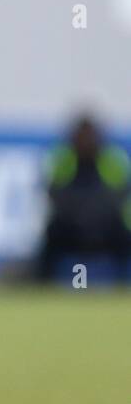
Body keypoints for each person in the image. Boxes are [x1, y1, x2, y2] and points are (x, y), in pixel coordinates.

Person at [34, 114, 131, 282]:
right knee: (51, 235)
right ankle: (43, 285)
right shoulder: (63, 160)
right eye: (81, 136)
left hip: (105, 227)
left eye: (89, 136)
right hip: (72, 227)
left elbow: (120, 196)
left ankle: (123, 284)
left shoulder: (112, 160)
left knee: (125, 236)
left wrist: (95, 215)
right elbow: (53, 194)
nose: (85, 141)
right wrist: (80, 214)